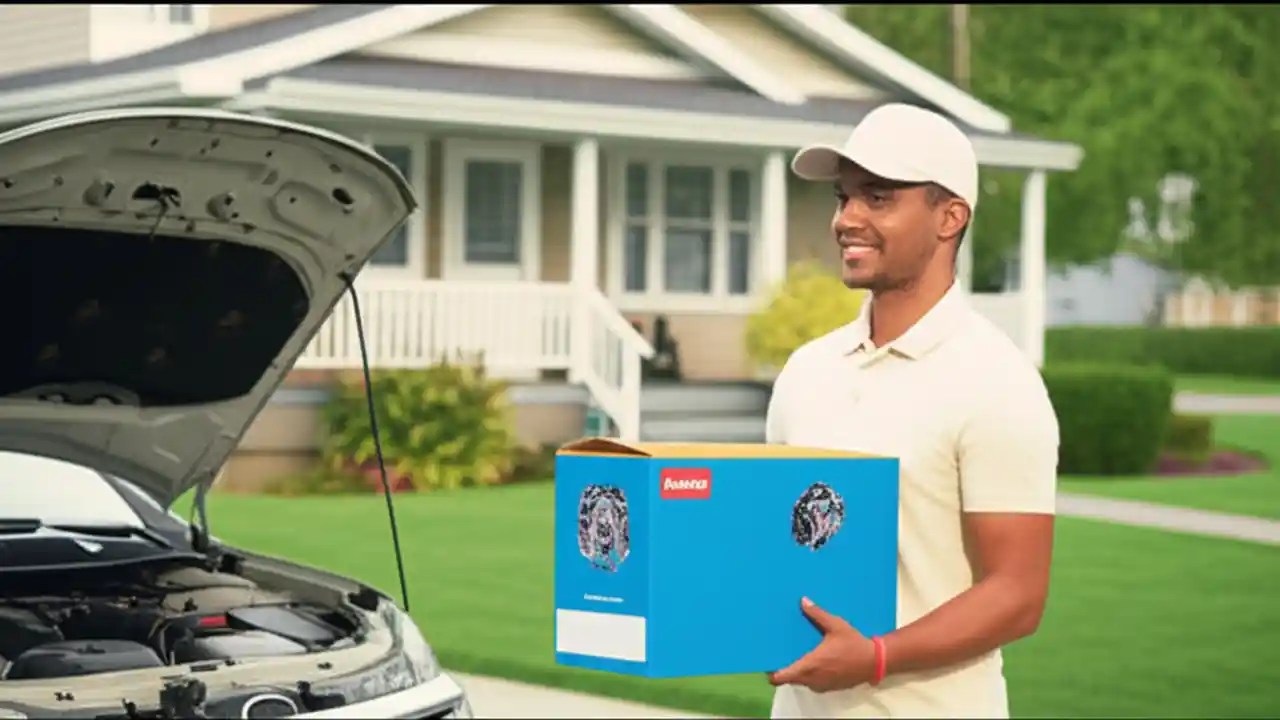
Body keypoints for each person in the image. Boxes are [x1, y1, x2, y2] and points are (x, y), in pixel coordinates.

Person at [764, 103, 1060, 719]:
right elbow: (781, 548)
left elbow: (1017, 594)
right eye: (844, 198)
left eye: (878, 198)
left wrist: (875, 656)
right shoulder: (806, 372)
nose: (847, 219)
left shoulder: (997, 382)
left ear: (949, 217)